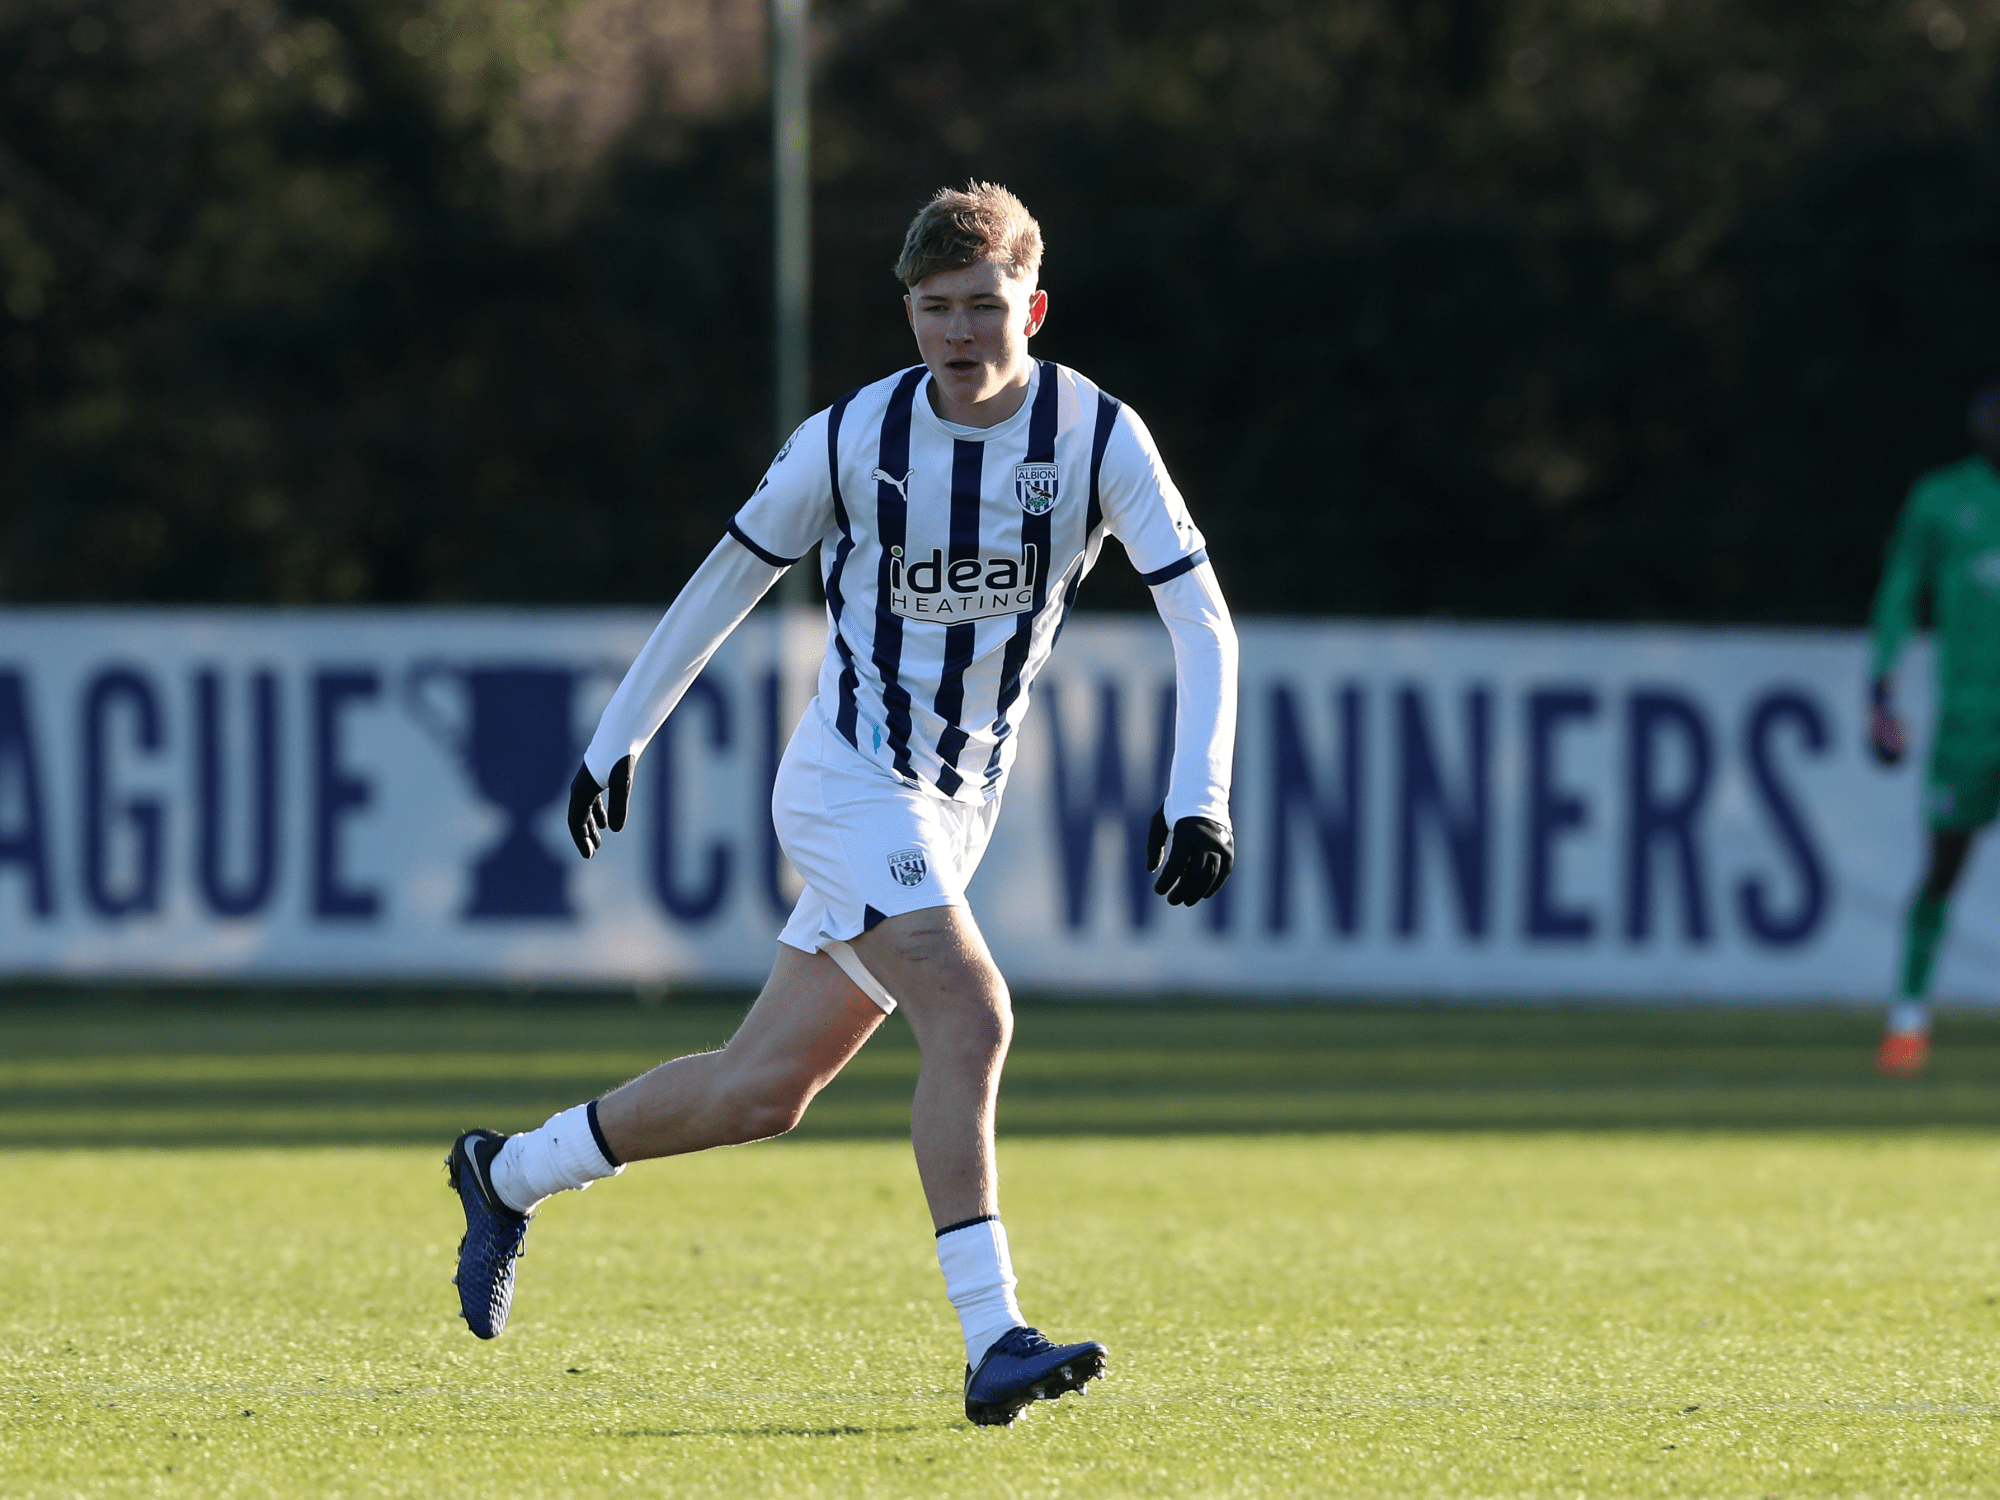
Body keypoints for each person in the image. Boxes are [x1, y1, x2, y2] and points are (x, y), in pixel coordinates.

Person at [445, 182, 1239, 1426]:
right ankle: (993, 1338)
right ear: (909, 315)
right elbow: (728, 578)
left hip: (952, 810)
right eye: (934, 310)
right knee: (971, 1016)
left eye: (984, 307)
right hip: (846, 784)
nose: (960, 334)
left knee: (760, 1091)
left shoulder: (1095, 436)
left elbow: (1197, 613)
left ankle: (507, 1171)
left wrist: (1200, 794)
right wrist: (618, 736)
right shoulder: (847, 440)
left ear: (1031, 306)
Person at [1865, 378, 2000, 1078]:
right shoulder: (1943, 500)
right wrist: (1881, 690)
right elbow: (1898, 595)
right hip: (1967, 724)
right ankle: (1908, 1019)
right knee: (1943, 869)